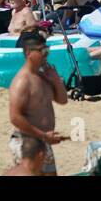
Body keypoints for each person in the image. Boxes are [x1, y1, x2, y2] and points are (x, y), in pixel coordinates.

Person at [8, 29, 67, 176]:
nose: (45, 54)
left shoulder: (43, 76)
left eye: (47, 50)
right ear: (28, 52)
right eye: (42, 51)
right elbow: (15, 117)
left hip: (43, 141)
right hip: (27, 142)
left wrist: (56, 81)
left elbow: (62, 100)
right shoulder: (22, 81)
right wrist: (43, 135)